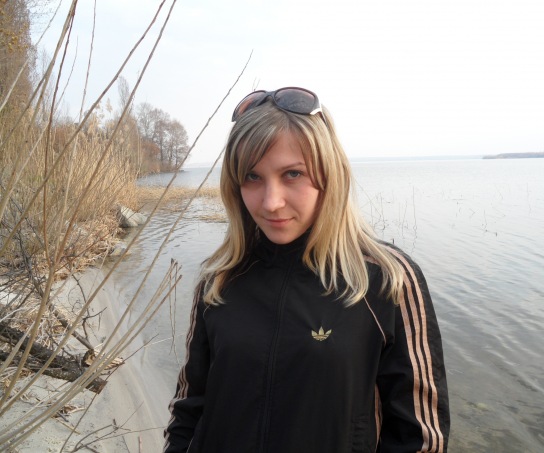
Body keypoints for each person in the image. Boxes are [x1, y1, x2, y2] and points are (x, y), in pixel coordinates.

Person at [164, 87, 450, 453]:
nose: (271, 202)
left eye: (293, 174)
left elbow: (419, 437)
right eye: (252, 176)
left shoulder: (384, 279)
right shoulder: (219, 279)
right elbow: (189, 408)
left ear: (329, 174)